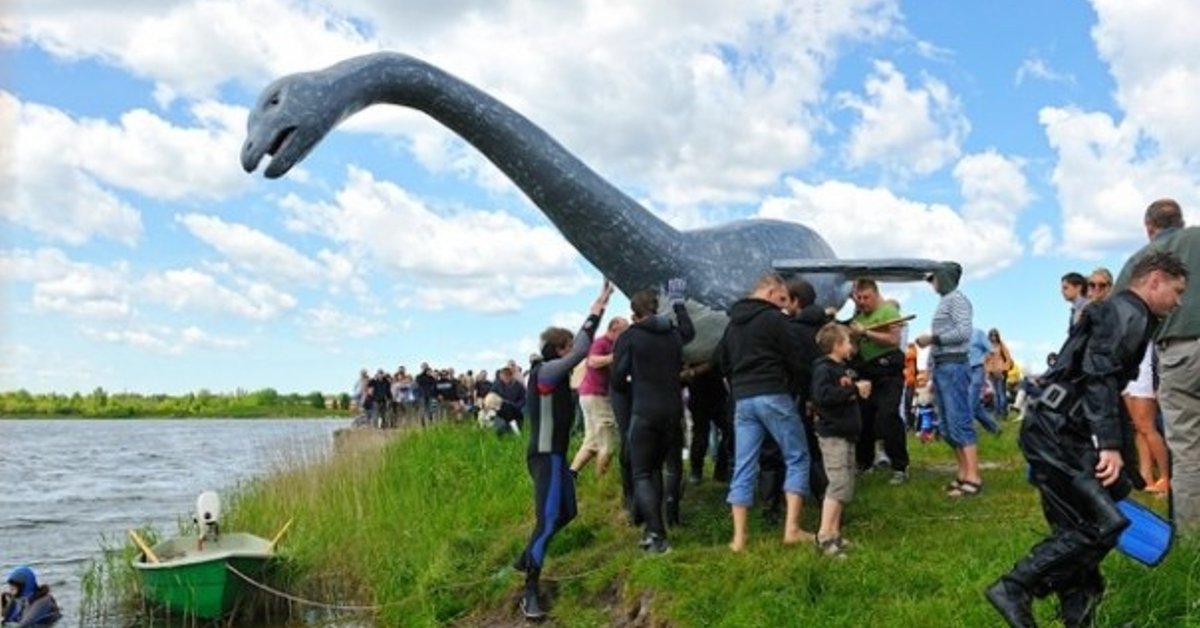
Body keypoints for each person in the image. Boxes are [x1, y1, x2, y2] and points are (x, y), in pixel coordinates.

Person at [986, 250, 1188, 628]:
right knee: (1103, 525)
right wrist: (1110, 446)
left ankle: (1078, 619)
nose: (1179, 302)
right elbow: (1100, 377)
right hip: (1056, 432)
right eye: (1177, 292)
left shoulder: (1123, 313)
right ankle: (1015, 586)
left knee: (1073, 531)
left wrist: (1122, 459)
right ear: (1155, 279)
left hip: (1055, 428)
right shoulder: (1129, 314)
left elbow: (1106, 388)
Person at [514, 279, 613, 620]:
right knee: (548, 520)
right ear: (559, 349)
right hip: (546, 459)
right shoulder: (545, 373)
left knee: (568, 513)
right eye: (568, 345)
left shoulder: (550, 371)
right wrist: (595, 313)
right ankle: (530, 593)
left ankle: (525, 557)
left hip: (553, 458)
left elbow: (579, 348)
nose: (573, 349)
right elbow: (582, 351)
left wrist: (599, 304)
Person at [1115, 198, 1200, 531]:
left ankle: (1192, 543)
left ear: (1150, 229)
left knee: (1188, 449)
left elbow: (1118, 313)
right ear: (1181, 221)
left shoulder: (1142, 258)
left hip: (1178, 352)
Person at [715, 273, 813, 552]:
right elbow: (796, 359)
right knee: (797, 457)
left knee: (744, 466)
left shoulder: (732, 325)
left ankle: (739, 539)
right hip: (773, 394)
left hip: (743, 400)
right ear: (770, 293)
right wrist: (797, 388)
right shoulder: (775, 319)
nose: (784, 306)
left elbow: (721, 362)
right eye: (781, 298)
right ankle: (792, 529)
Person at [612, 281, 694, 552]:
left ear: (634, 312)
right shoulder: (672, 334)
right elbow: (689, 333)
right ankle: (657, 526)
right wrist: (679, 302)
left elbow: (616, 379)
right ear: (657, 307)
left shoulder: (630, 337)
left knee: (643, 473)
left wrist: (632, 387)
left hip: (645, 409)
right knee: (659, 468)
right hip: (673, 410)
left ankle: (657, 536)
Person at [916, 262, 980, 497]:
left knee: (959, 419)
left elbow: (964, 332)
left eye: (934, 278)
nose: (932, 283)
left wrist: (933, 339)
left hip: (954, 365)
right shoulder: (946, 301)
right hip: (943, 366)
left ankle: (973, 476)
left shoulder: (957, 300)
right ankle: (963, 473)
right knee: (947, 424)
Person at [810, 323, 870, 557]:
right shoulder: (823, 369)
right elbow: (822, 396)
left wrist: (856, 388)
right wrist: (853, 390)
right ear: (836, 346)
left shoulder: (842, 368)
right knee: (837, 484)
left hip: (846, 434)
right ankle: (824, 536)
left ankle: (835, 533)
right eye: (847, 342)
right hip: (832, 435)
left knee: (845, 483)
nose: (851, 346)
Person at [848, 279, 910, 484]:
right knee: (863, 419)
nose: (863, 302)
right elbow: (855, 349)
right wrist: (855, 337)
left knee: (888, 416)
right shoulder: (858, 317)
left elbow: (893, 340)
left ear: (875, 295)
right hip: (866, 371)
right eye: (859, 298)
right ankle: (865, 463)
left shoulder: (888, 312)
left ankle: (899, 466)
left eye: (866, 297)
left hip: (888, 372)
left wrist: (866, 332)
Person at [570, 317, 628, 477]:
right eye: (624, 330)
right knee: (608, 445)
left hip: (588, 395)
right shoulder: (602, 343)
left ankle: (571, 474)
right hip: (597, 396)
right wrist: (615, 357)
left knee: (592, 442)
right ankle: (600, 483)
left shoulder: (611, 344)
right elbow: (593, 361)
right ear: (614, 328)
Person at [969, 328, 1001, 435]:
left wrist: (994, 367)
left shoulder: (978, 333)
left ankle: (966, 436)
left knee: (970, 403)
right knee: (976, 407)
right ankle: (995, 429)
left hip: (977, 370)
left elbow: (992, 351)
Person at [984, 329, 1014, 423]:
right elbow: (985, 361)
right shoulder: (987, 347)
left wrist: (1004, 369)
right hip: (992, 373)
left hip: (1001, 372)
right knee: (996, 394)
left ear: (997, 336)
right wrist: (987, 372)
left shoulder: (1001, 345)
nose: (993, 337)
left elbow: (1008, 358)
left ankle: (1003, 413)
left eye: (995, 335)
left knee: (1001, 393)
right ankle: (997, 414)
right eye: (992, 335)